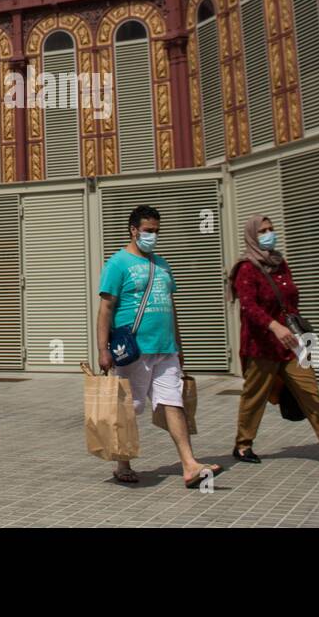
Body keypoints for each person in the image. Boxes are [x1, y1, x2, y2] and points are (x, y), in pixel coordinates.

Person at [98, 204, 222, 488]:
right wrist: (103, 349)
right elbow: (105, 308)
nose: (153, 236)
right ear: (134, 230)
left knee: (173, 402)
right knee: (131, 407)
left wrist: (179, 345)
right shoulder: (117, 263)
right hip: (133, 349)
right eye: (148, 231)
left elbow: (171, 306)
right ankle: (122, 463)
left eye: (156, 231)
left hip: (165, 349)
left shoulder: (161, 264)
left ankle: (190, 465)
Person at [228, 214, 319, 470]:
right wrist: (274, 325)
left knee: (310, 393)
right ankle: (243, 444)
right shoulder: (246, 268)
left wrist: (291, 327)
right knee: (254, 396)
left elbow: (290, 299)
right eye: (263, 231)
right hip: (261, 346)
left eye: (271, 229)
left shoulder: (280, 263)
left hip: (291, 346)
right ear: (252, 236)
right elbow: (248, 306)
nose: (269, 234)